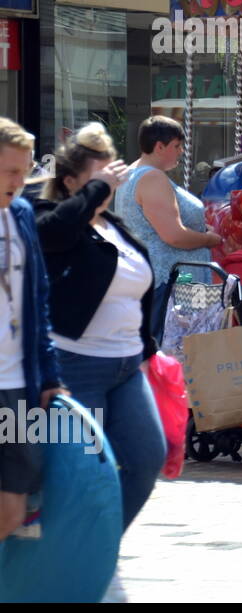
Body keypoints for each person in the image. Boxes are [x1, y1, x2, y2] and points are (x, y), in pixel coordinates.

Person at [32, 122, 165, 541]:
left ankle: (96, 551)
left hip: (126, 368)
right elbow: (51, 233)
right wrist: (93, 192)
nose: (109, 188)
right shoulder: (50, 220)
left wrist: (147, 348)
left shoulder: (115, 228)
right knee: (81, 472)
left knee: (146, 461)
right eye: (99, 178)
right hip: (75, 367)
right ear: (71, 181)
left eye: (112, 177)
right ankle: (59, 558)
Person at [0, 118, 64, 542]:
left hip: (18, 383)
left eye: (24, 171)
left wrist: (50, 375)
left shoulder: (22, 214)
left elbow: (39, 297)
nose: (20, 181)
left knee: (14, 505)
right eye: (10, 170)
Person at [116, 117, 222, 341]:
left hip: (162, 279)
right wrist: (209, 239)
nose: (181, 151)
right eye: (176, 146)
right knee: (179, 351)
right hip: (172, 284)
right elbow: (173, 236)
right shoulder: (152, 178)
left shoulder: (132, 173)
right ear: (159, 147)